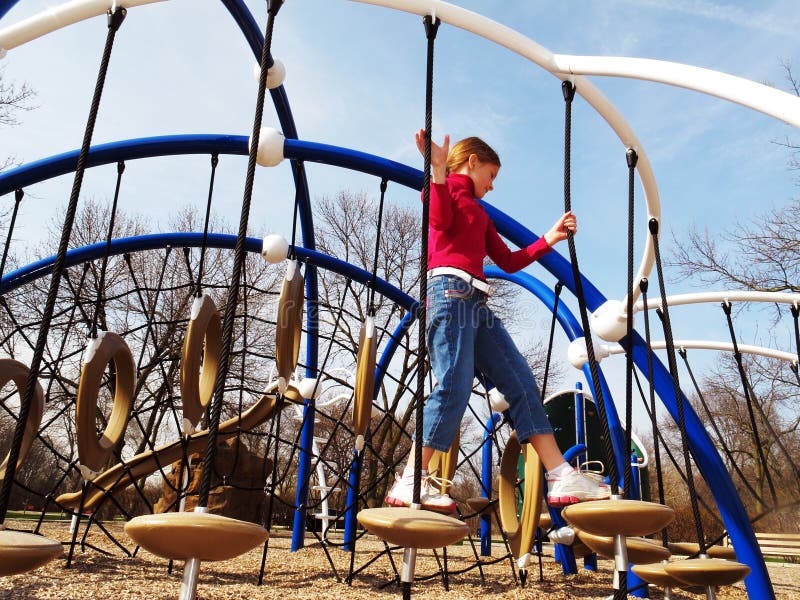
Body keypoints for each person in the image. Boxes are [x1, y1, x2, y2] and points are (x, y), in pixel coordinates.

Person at [385, 131, 611, 512]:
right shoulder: (444, 190)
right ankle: (411, 478)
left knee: (521, 382)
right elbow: (438, 221)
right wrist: (437, 171)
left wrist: (549, 238)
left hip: (476, 301)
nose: (492, 186)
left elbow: (506, 261)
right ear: (472, 161)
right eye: (491, 175)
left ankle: (558, 474)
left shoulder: (479, 211)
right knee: (453, 385)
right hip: (449, 293)